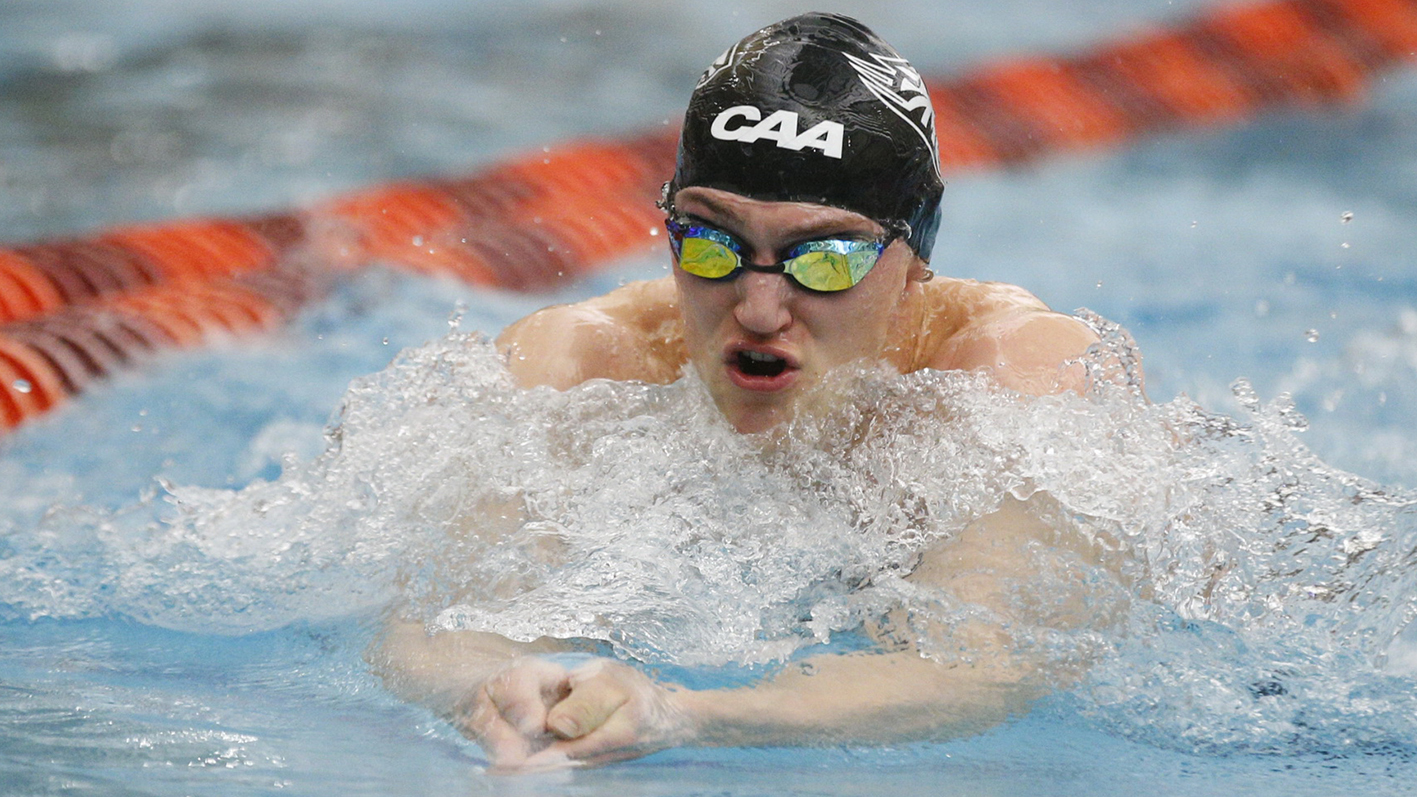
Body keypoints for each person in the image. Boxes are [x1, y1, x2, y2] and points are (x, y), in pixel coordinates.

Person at [372, 12, 1124, 772]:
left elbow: (976, 668)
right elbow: (435, 626)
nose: (759, 310)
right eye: (710, 243)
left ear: (913, 263)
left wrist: (688, 714)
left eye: (824, 259)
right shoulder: (580, 364)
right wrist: (490, 686)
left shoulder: (1007, 374)